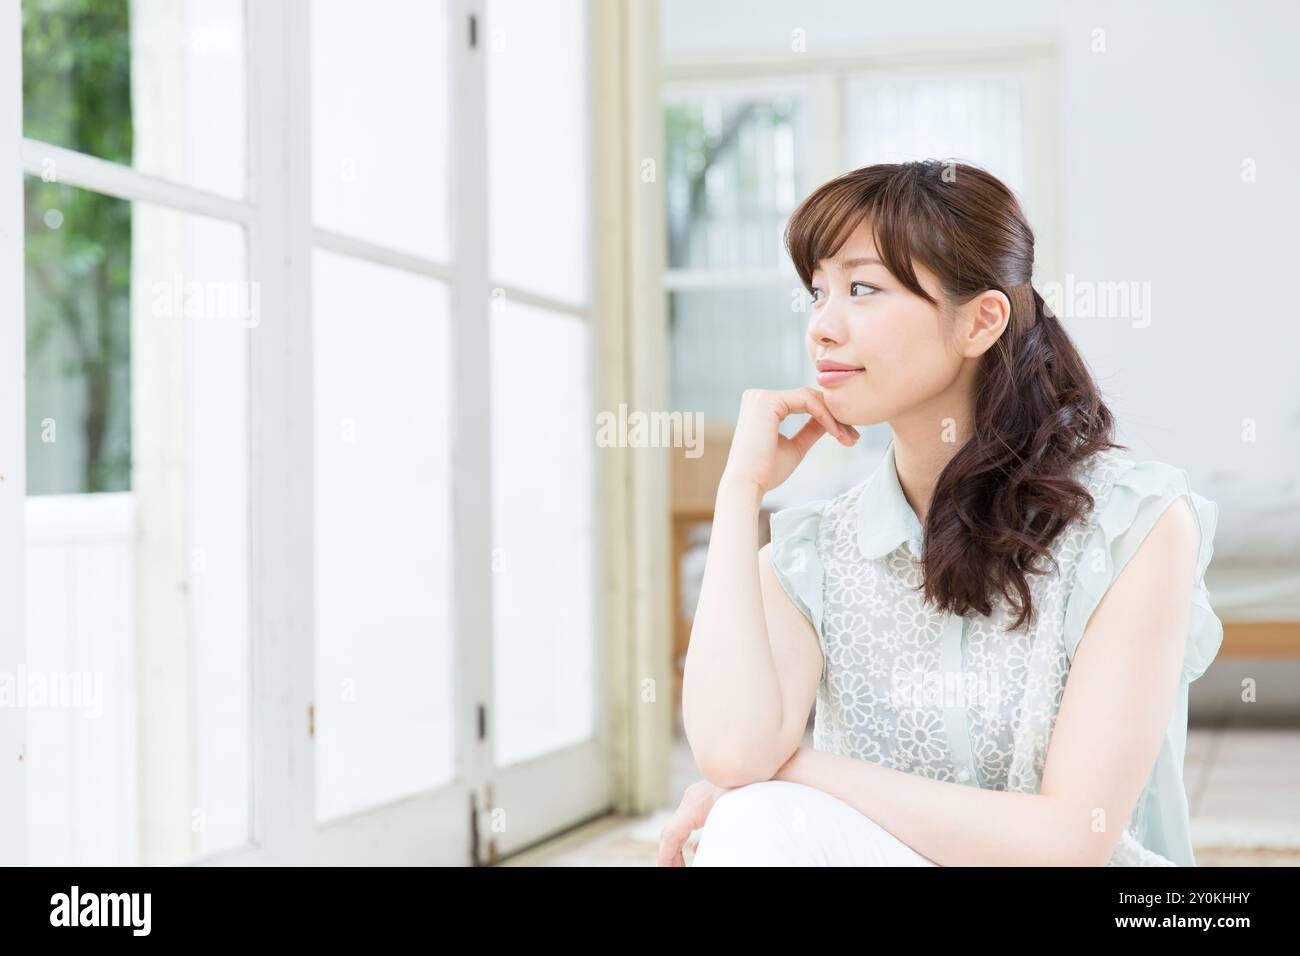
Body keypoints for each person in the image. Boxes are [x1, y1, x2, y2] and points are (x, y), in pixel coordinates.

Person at [659, 160, 1222, 867]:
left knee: (751, 799)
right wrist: (740, 490)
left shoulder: (1134, 525)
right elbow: (734, 750)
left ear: (981, 320)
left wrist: (789, 767)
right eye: (816, 292)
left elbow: (1067, 842)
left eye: (862, 289)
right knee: (750, 819)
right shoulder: (816, 549)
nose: (822, 329)